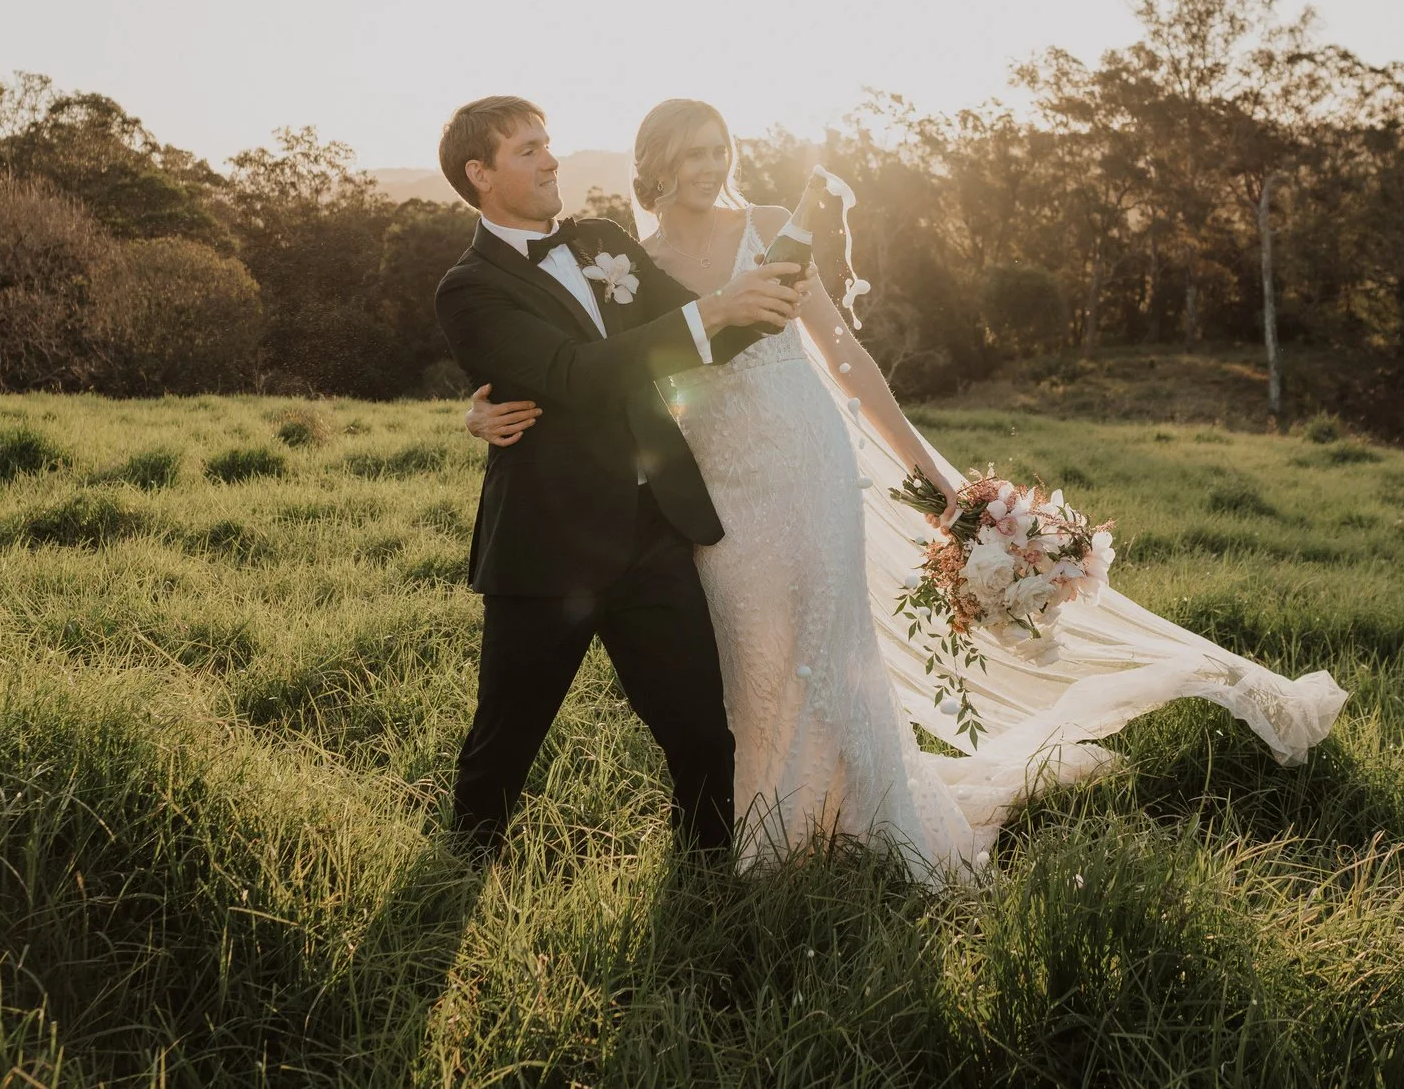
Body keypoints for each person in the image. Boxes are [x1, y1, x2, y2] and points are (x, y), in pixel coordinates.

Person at [465, 98, 1349, 879]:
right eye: (690, 153)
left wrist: (935, 474)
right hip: (709, 484)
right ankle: (760, 829)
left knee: (826, 640)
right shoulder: (626, 256)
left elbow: (838, 354)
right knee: (744, 658)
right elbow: (590, 357)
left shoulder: (744, 229)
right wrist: (482, 409)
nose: (709, 166)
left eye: (719, 148)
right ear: (653, 167)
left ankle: (867, 820)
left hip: (804, 465)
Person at [429, 95, 810, 859]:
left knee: (702, 734)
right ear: (480, 173)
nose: (550, 160)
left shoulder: (600, 240)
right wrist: (715, 313)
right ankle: (451, 887)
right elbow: (574, 373)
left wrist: (776, 280)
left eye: (549, 143)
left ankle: (706, 891)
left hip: (653, 532)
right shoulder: (469, 289)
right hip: (547, 547)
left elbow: (692, 335)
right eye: (529, 150)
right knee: (503, 745)